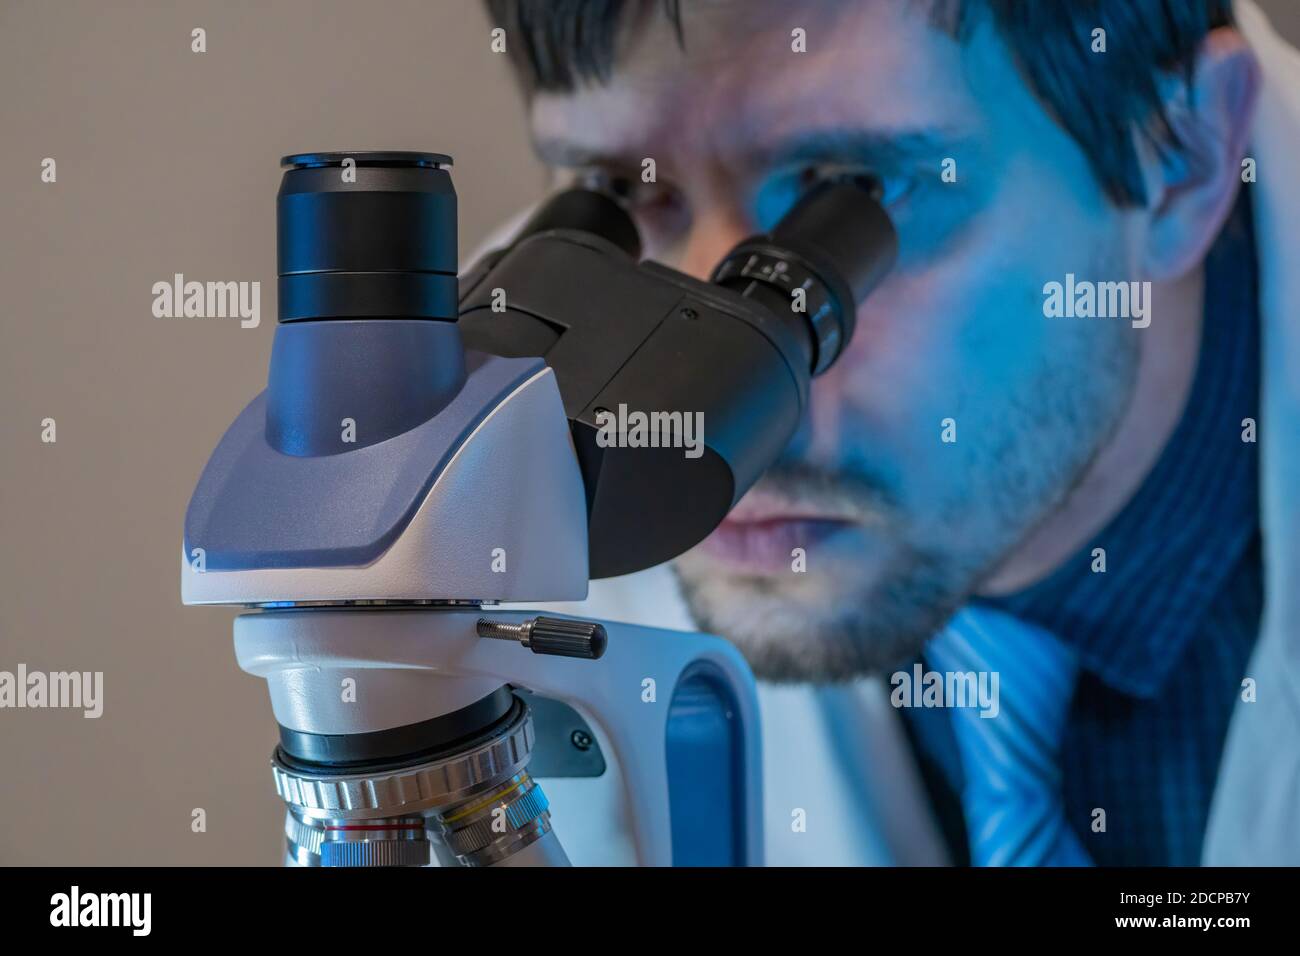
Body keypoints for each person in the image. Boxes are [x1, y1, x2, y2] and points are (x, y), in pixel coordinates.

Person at [478, 0, 1300, 865]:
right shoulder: (485, 420)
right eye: (622, 192)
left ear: (1181, 155)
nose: (706, 417)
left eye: (855, 193)